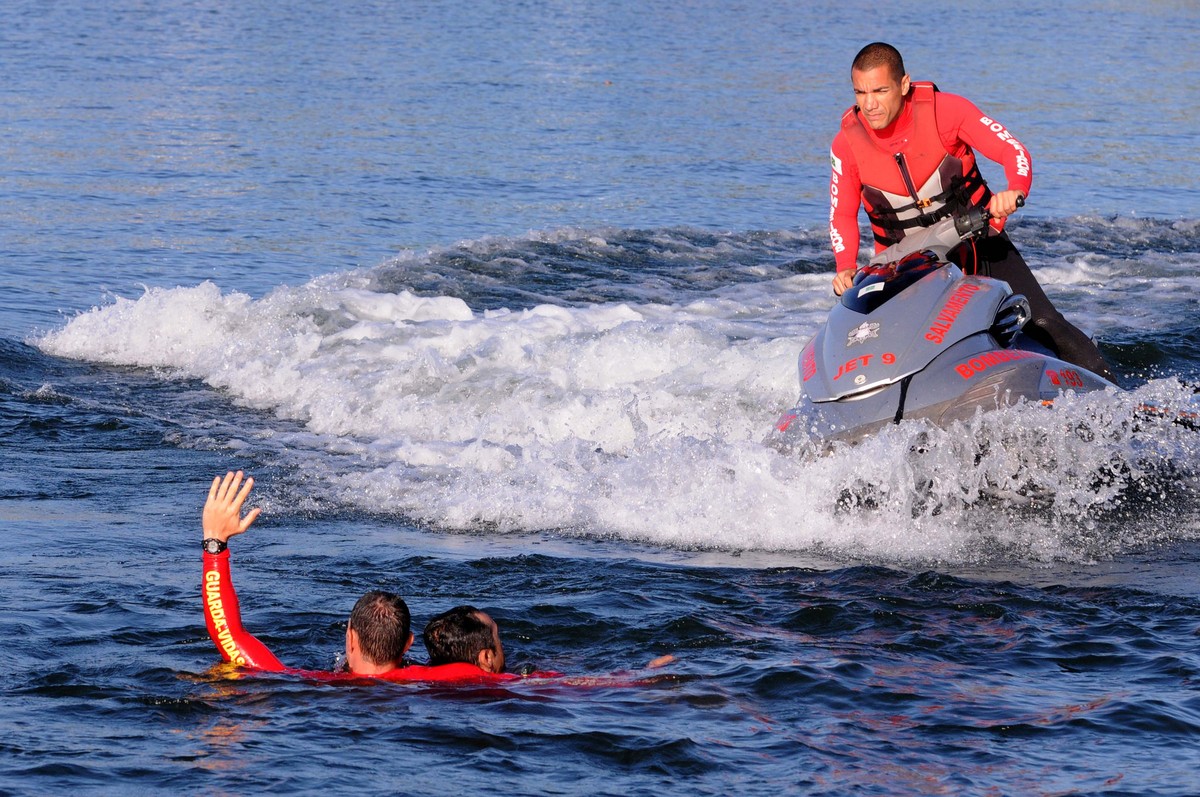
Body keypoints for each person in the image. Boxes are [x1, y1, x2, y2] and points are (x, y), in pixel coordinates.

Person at [828, 42, 1116, 382]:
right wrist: (845, 266)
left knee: (1042, 322)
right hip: (906, 269)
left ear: (904, 84)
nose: (869, 104)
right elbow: (841, 214)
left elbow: (1013, 151)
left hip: (978, 244)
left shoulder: (946, 112)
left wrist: (1014, 190)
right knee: (886, 347)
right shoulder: (847, 144)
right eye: (860, 92)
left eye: (880, 90)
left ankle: (1112, 392)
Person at [200, 470, 513, 682]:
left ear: (350, 638)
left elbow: (230, 636)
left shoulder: (313, 685)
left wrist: (215, 542)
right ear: (408, 644)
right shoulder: (457, 677)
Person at [423, 605, 506, 674]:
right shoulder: (510, 685)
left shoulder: (421, 683)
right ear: (487, 658)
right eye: (497, 636)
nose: (502, 645)